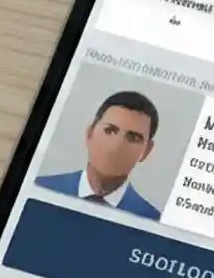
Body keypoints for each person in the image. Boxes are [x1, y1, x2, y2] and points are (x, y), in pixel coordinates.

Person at [36, 91, 161, 220]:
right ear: (90, 133)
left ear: (146, 151)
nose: (116, 146)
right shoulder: (41, 188)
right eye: (110, 131)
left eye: (133, 138)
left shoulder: (151, 219)